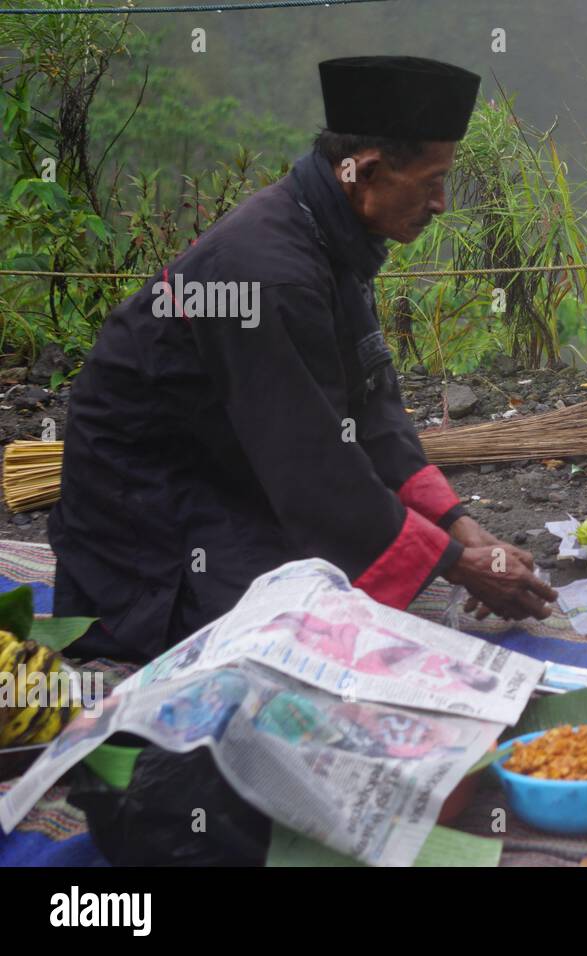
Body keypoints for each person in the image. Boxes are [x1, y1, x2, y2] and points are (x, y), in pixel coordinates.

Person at [51, 56, 556, 663]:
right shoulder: (268, 273)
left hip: (237, 459)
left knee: (328, 580)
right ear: (366, 171)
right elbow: (312, 464)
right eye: (431, 181)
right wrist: (459, 567)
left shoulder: (331, 230)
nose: (441, 203)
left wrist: (456, 526)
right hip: (151, 498)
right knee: (281, 634)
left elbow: (371, 406)